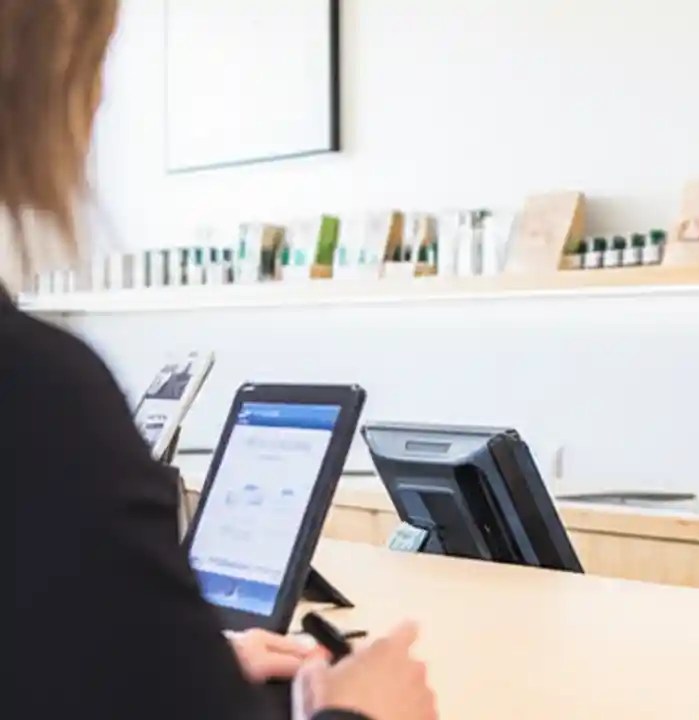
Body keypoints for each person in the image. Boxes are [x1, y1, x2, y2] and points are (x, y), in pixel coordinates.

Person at [2, 1, 437, 717]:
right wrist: (362, 711)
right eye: (97, 61)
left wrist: (177, 655)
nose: (103, 93)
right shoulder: (36, 398)